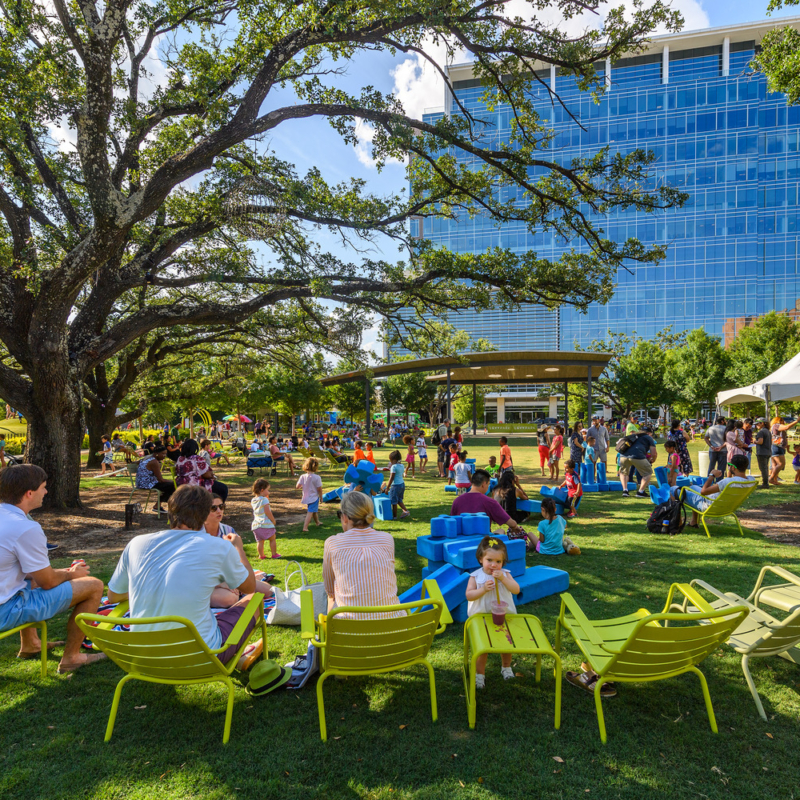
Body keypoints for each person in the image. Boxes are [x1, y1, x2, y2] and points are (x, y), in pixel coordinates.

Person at [108, 485, 264, 665]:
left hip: (144, 658)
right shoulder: (218, 546)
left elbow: (113, 595)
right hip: (199, 659)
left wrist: (149, 587)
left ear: (170, 510)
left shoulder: (136, 543)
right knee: (254, 599)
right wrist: (238, 548)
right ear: (205, 514)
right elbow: (249, 586)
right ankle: (237, 654)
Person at [0, 465, 106, 673]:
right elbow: (48, 581)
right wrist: (71, 574)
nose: (46, 492)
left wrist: (62, 573)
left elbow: (31, 573)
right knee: (94, 585)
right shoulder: (25, 527)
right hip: (5, 610)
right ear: (29, 493)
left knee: (31, 579)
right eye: (43, 487)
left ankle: (31, 644)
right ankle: (72, 658)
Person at [322, 491, 403, 619]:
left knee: (331, 597)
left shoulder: (332, 543)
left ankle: (329, 629)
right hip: (393, 628)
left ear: (345, 517)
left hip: (350, 632)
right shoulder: (387, 539)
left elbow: (330, 589)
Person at [465, 537, 521, 688]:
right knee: (482, 649)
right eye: (489, 560)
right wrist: (482, 589)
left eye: (498, 562)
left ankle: (506, 667)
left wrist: (503, 578)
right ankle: (480, 675)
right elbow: (469, 595)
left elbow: (516, 590)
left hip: (504, 616)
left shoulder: (505, 574)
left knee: (506, 644)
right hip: (481, 618)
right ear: (480, 559)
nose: (494, 565)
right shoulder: (475, 576)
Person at [204, 495, 274, 610]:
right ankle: (242, 601)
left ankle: (242, 593)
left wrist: (234, 581)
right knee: (230, 598)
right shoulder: (197, 534)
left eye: (221, 506)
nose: (219, 511)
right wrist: (222, 584)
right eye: (213, 508)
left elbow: (237, 560)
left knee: (268, 590)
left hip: (227, 575)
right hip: (207, 582)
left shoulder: (228, 531)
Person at [679, 454, 755, 528]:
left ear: (733, 467)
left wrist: (712, 475)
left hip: (708, 505)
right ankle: (694, 522)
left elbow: (703, 491)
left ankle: (677, 524)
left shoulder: (729, 482)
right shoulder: (751, 481)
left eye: (729, 464)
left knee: (673, 490)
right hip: (727, 507)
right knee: (693, 487)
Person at [450, 469, 522, 533]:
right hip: (483, 543)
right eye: (488, 484)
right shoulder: (489, 502)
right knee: (501, 531)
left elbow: (452, 523)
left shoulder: (457, 500)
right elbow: (511, 523)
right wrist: (516, 528)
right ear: (484, 484)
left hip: (461, 540)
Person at [135, 445, 175, 512]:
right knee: (173, 486)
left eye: (165, 454)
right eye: (163, 454)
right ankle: (159, 506)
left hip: (140, 482)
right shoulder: (154, 462)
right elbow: (161, 480)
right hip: (147, 483)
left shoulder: (148, 457)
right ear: (156, 453)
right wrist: (173, 481)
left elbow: (137, 462)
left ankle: (158, 505)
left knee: (169, 486)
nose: (164, 456)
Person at [618, 429, 657, 498]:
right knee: (648, 473)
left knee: (623, 473)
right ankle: (640, 492)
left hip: (623, 456)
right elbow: (653, 453)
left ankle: (625, 491)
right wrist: (653, 459)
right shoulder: (648, 438)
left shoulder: (633, 436)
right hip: (637, 456)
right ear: (648, 433)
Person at [251, 478, 281, 558]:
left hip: (256, 525)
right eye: (267, 490)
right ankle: (274, 554)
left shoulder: (253, 500)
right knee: (272, 539)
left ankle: (261, 555)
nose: (269, 492)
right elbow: (268, 512)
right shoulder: (264, 500)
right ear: (262, 490)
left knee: (260, 541)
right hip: (266, 524)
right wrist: (273, 520)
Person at [770, 415, 799, 485]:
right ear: (779, 421)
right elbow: (787, 427)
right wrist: (797, 421)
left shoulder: (774, 427)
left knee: (775, 464)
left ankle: (775, 480)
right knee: (781, 464)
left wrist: (785, 445)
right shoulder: (776, 425)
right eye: (782, 420)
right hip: (777, 447)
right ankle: (771, 478)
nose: (784, 422)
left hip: (775, 447)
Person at [297, 457, 323, 532]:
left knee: (314, 510)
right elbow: (319, 489)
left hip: (306, 497)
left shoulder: (303, 476)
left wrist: (303, 484)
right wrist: (321, 497)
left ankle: (317, 522)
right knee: (310, 512)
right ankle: (305, 527)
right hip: (314, 497)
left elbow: (297, 486)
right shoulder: (317, 477)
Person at [385, 450, 410, 519]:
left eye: (391, 460)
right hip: (402, 484)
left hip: (395, 485)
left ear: (394, 460)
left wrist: (387, 488)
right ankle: (406, 511)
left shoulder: (394, 467)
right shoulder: (401, 465)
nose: (390, 462)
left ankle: (394, 517)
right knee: (399, 500)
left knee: (394, 502)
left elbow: (391, 477)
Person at [754, 418, 773, 489]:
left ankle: (765, 484)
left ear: (762, 423)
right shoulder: (768, 431)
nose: (756, 426)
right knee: (765, 468)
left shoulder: (761, 432)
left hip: (762, 453)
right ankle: (765, 483)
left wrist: (754, 441)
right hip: (768, 452)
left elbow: (760, 442)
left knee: (763, 468)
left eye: (757, 424)